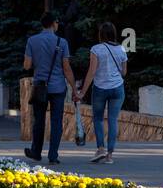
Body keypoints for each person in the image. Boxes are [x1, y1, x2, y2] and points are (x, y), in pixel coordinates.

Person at [23, 12, 77, 164]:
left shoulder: (32, 41)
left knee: (39, 120)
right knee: (56, 121)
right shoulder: (62, 42)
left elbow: (27, 65)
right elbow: (67, 68)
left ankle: (36, 152)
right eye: (57, 22)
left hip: (40, 87)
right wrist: (74, 88)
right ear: (54, 23)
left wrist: (39, 63)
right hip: (58, 88)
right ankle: (53, 156)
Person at [77, 22, 128, 164]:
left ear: (101, 34)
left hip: (100, 89)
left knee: (98, 119)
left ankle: (101, 149)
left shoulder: (96, 49)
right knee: (113, 120)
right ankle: (110, 156)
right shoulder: (121, 49)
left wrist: (82, 92)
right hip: (118, 88)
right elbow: (124, 72)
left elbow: (92, 72)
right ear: (114, 34)